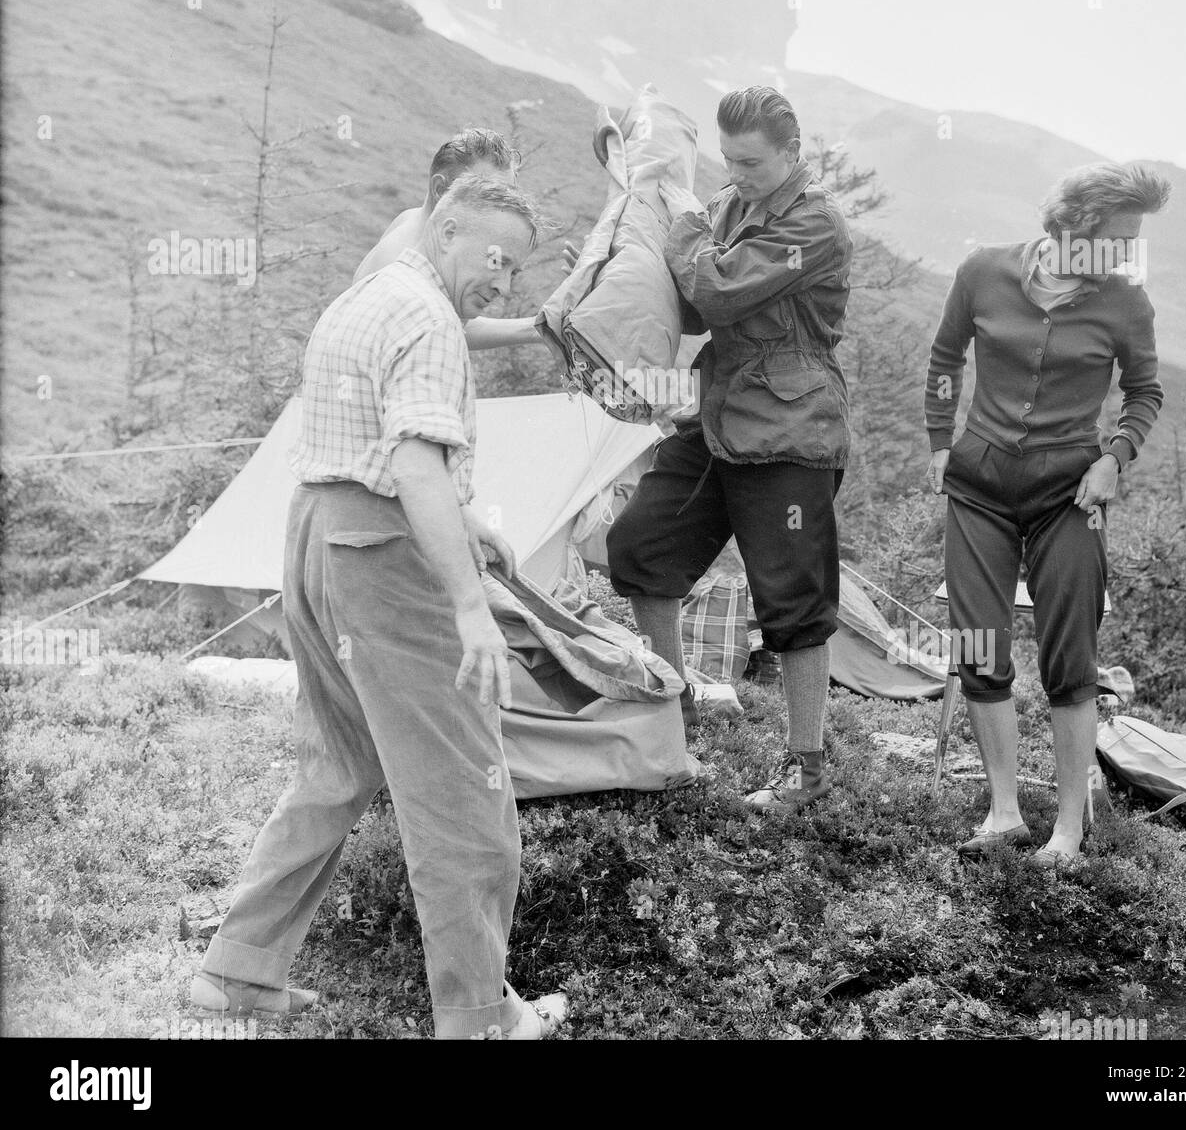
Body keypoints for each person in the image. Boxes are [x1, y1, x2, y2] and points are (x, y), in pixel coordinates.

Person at [191, 173, 567, 1039]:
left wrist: (464, 523)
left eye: (515, 273)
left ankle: (237, 970)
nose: (501, 285)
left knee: (338, 765)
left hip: (316, 536)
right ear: (446, 228)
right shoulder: (430, 320)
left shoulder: (372, 293)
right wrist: (471, 609)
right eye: (494, 259)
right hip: (379, 565)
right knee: (462, 788)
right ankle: (478, 1017)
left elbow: (369, 443)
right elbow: (412, 467)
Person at [607, 86, 853, 813]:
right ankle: (670, 709)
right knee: (640, 547)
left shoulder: (817, 225)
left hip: (788, 430)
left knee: (793, 601)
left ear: (791, 152)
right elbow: (689, 299)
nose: (736, 172)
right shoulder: (732, 204)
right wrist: (618, 271)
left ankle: (804, 770)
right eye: (728, 159)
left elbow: (715, 287)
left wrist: (684, 224)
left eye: (750, 161)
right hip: (715, 414)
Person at [925, 162, 1168, 869]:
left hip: (1070, 493)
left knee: (1069, 653)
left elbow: (1143, 392)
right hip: (979, 485)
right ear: (1072, 225)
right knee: (976, 640)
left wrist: (1112, 458)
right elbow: (944, 358)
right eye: (1117, 237)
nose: (1126, 252)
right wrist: (939, 441)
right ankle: (1002, 811)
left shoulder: (1125, 302)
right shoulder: (983, 271)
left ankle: (1066, 829)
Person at [355, 127, 547, 351]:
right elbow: (441, 329)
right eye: (487, 194)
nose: (503, 208)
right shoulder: (404, 268)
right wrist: (537, 328)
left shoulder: (410, 220)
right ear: (439, 188)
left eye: (507, 196)